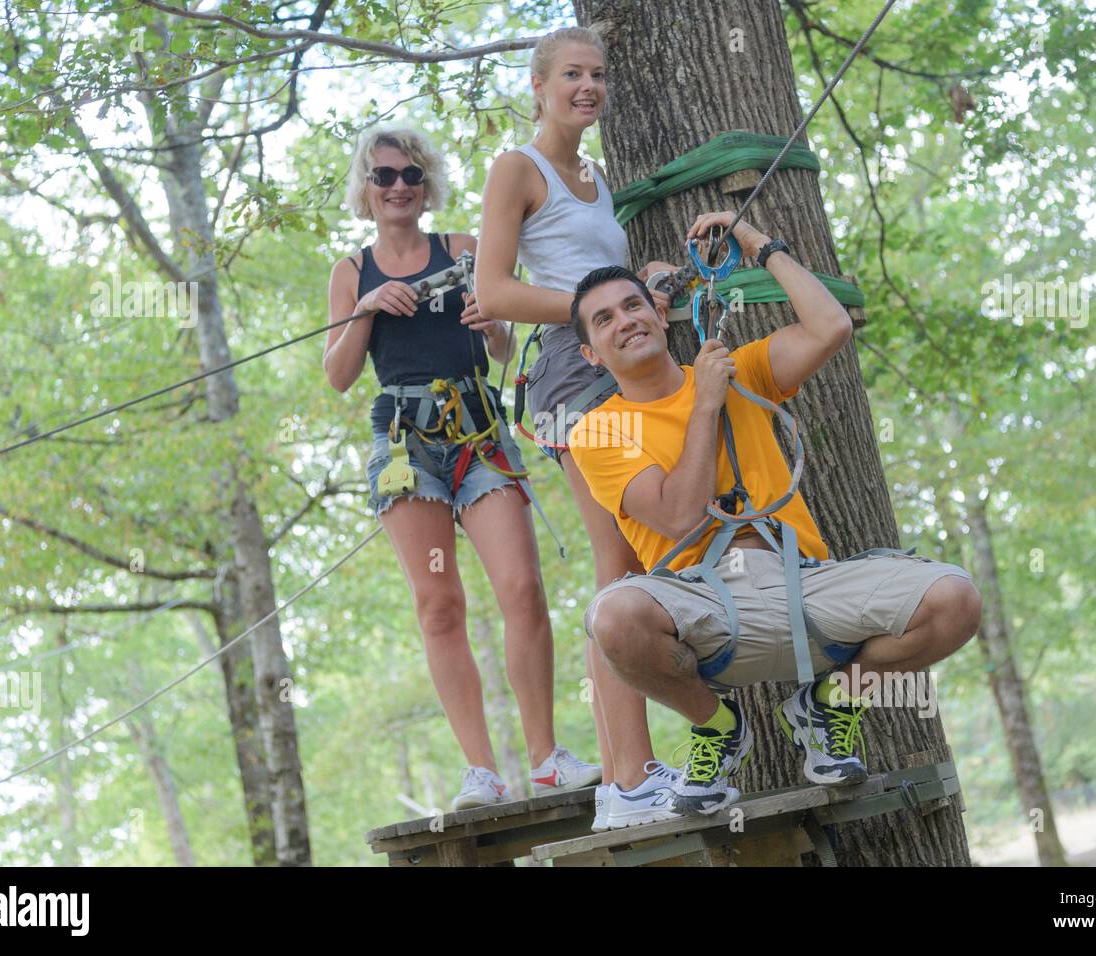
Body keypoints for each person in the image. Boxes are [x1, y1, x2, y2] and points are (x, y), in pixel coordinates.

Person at [566, 210, 983, 815]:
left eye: (633, 306)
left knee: (956, 602)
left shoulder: (745, 370)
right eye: (604, 320)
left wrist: (757, 243)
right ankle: (716, 727)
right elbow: (680, 516)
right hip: (702, 602)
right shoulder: (598, 433)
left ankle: (832, 701)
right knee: (612, 617)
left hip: (803, 587)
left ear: (660, 314)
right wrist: (706, 401)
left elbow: (830, 326)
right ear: (592, 354)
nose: (625, 321)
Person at [324, 125, 599, 812]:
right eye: (384, 175)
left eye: (411, 175)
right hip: (406, 443)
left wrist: (493, 324)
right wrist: (365, 310)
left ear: (427, 186)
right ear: (366, 185)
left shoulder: (465, 252)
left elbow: (505, 352)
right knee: (439, 603)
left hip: (478, 431)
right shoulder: (351, 271)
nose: (398, 187)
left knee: (521, 586)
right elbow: (338, 374)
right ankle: (480, 769)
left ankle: (546, 756)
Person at [475, 27, 682, 829]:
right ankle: (630, 781)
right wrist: (596, 308)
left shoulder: (596, 178)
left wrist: (637, 288)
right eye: (571, 74)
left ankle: (625, 780)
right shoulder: (515, 171)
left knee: (629, 559)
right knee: (618, 561)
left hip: (611, 361)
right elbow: (493, 290)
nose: (587, 87)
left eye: (597, 75)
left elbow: (590, 277)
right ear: (538, 86)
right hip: (568, 368)